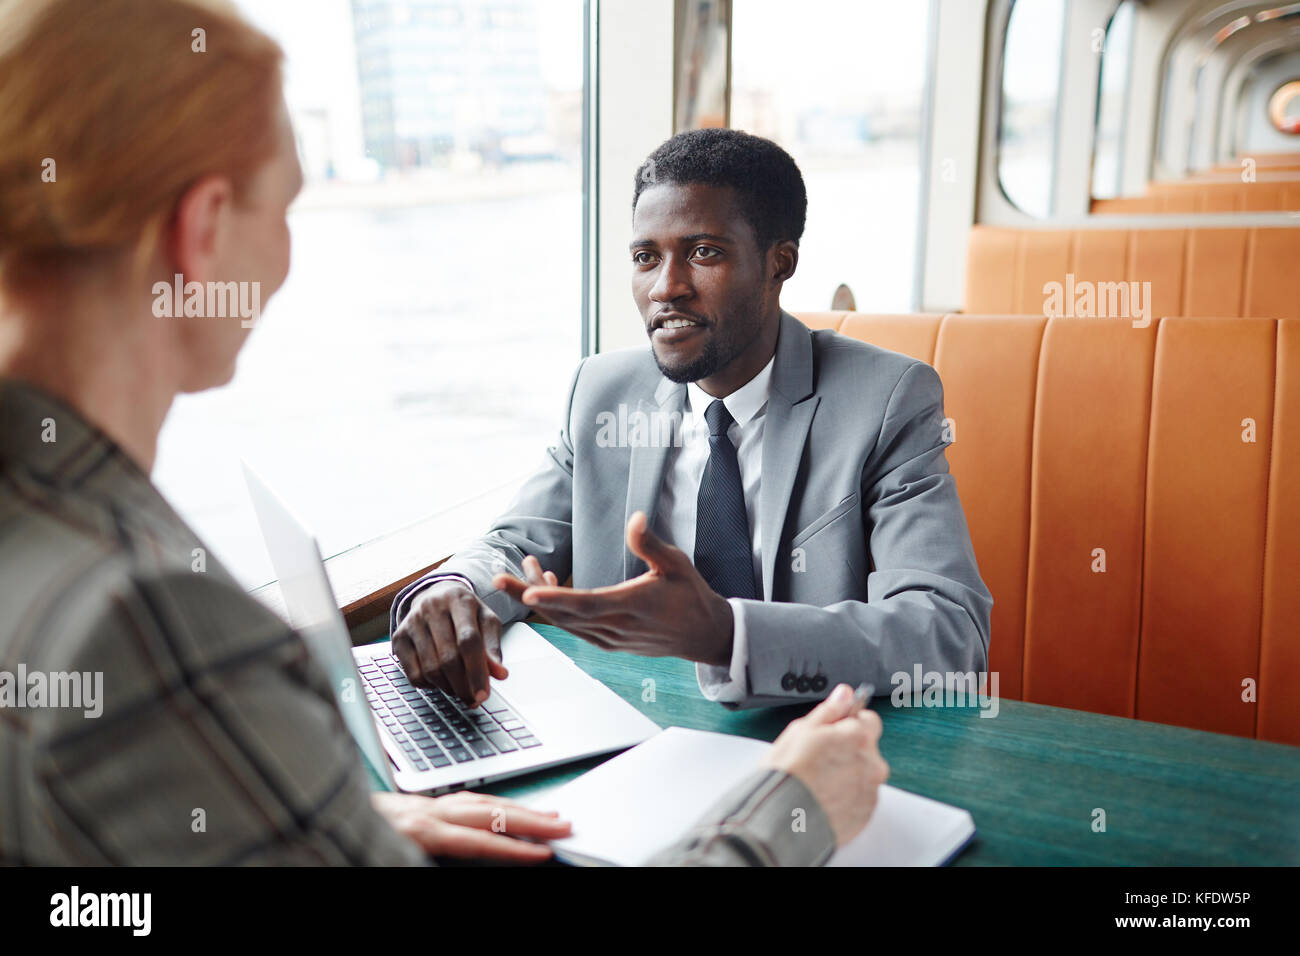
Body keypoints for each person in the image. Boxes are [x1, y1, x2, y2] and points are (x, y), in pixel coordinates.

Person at [0, 0, 887, 866]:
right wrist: (792, 815)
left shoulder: (57, 539)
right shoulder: (150, 620)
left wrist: (344, 823)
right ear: (200, 231)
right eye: (284, 208)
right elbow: (514, 539)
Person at [391, 128, 993, 711]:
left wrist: (727, 634)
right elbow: (516, 542)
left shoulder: (887, 398)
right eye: (646, 258)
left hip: (814, 734)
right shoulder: (602, 393)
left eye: (704, 253)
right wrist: (454, 592)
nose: (666, 288)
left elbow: (947, 631)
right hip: (627, 728)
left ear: (779, 263)